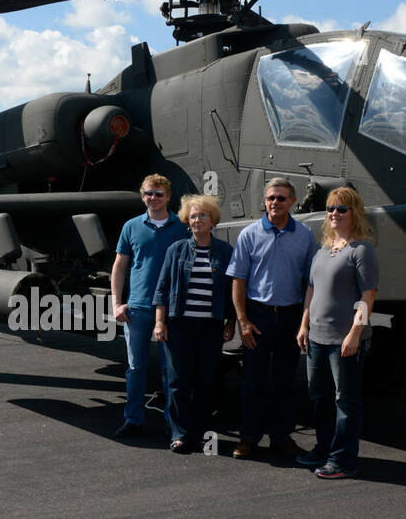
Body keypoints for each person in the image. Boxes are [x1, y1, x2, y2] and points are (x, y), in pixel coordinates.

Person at [227, 177, 318, 460]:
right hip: (258, 317)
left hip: (289, 317)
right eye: (270, 198)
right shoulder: (249, 234)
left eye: (281, 198)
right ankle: (248, 438)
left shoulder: (304, 234)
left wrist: (305, 320)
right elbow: (238, 280)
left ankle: (281, 437)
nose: (275, 203)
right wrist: (242, 320)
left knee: (284, 382)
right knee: (253, 382)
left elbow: (311, 281)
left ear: (292, 201)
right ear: (264, 201)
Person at [297, 187, 379, 479]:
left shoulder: (361, 249)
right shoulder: (323, 249)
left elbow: (368, 296)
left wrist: (355, 333)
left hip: (343, 340)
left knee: (345, 400)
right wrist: (304, 324)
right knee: (318, 396)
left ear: (353, 213)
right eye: (331, 208)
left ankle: (343, 460)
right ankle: (323, 449)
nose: (334, 213)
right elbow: (311, 289)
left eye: (341, 209)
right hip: (317, 338)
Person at [152, 195, 236, 453]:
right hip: (179, 326)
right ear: (187, 221)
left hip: (210, 327)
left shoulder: (225, 251)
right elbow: (162, 289)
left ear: (213, 221)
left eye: (202, 216)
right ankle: (179, 434)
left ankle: (201, 434)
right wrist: (159, 323)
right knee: (178, 382)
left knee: (206, 382)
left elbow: (233, 290)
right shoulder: (176, 250)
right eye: (193, 216)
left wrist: (230, 321)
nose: (197, 220)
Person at [110, 174, 189, 438]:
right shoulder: (131, 227)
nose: (152, 198)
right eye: (147, 193)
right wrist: (118, 303)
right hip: (138, 308)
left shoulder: (182, 227)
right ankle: (133, 419)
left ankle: (173, 424)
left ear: (168, 197)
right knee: (135, 368)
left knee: (171, 372)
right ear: (142, 195)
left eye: (158, 194)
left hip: (171, 310)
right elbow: (120, 266)